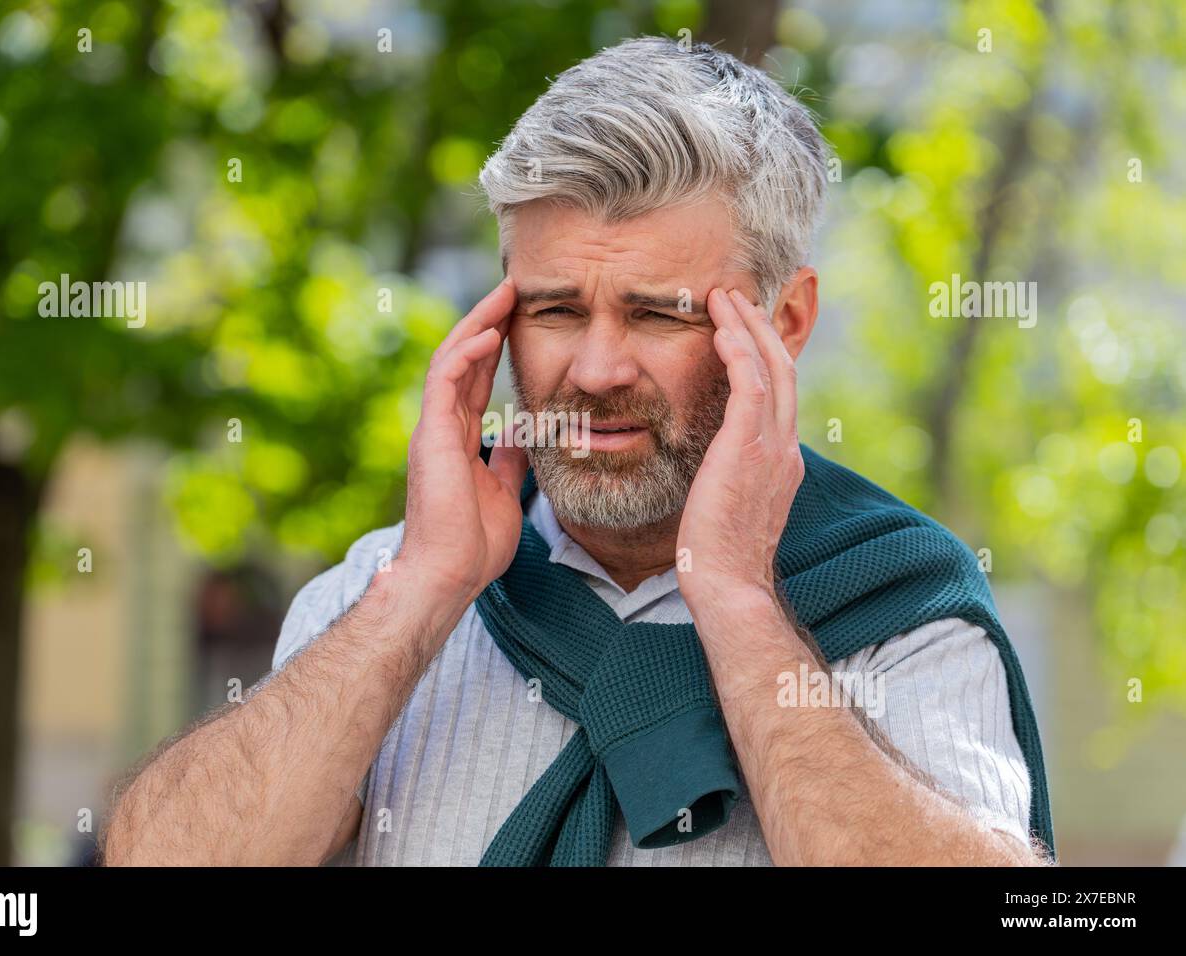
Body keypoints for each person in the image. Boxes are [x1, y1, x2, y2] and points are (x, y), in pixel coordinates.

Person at [101, 36, 1053, 867]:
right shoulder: (379, 595)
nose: (595, 370)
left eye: (657, 313)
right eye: (555, 310)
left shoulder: (906, 613)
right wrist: (423, 590)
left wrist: (733, 598)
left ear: (786, 319)